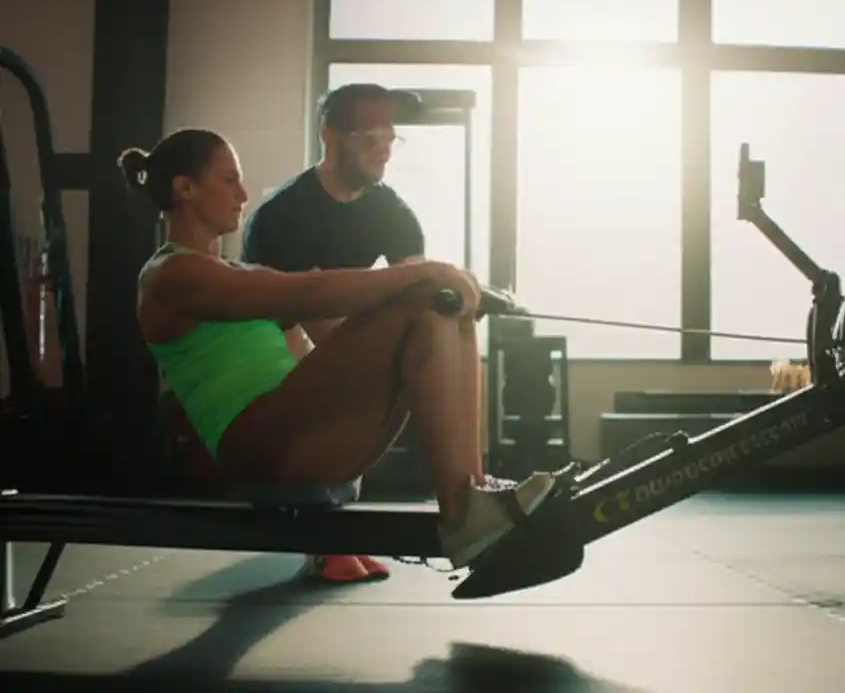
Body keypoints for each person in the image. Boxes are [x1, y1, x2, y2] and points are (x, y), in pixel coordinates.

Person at [118, 128, 556, 572]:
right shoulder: (171, 274)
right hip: (253, 446)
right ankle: (467, 514)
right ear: (184, 187)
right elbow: (310, 293)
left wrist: (449, 303)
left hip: (298, 438)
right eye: (229, 180)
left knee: (438, 308)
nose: (243, 193)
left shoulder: (241, 272)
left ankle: (471, 494)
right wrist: (425, 274)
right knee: (424, 293)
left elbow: (319, 355)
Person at [240, 83, 424, 582]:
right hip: (275, 359)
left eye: (390, 135)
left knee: (425, 338)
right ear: (329, 136)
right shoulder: (283, 216)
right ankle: (324, 536)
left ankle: (346, 530)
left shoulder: (390, 209)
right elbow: (300, 324)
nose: (384, 147)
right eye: (369, 137)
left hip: (342, 331)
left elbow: (416, 289)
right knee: (344, 365)